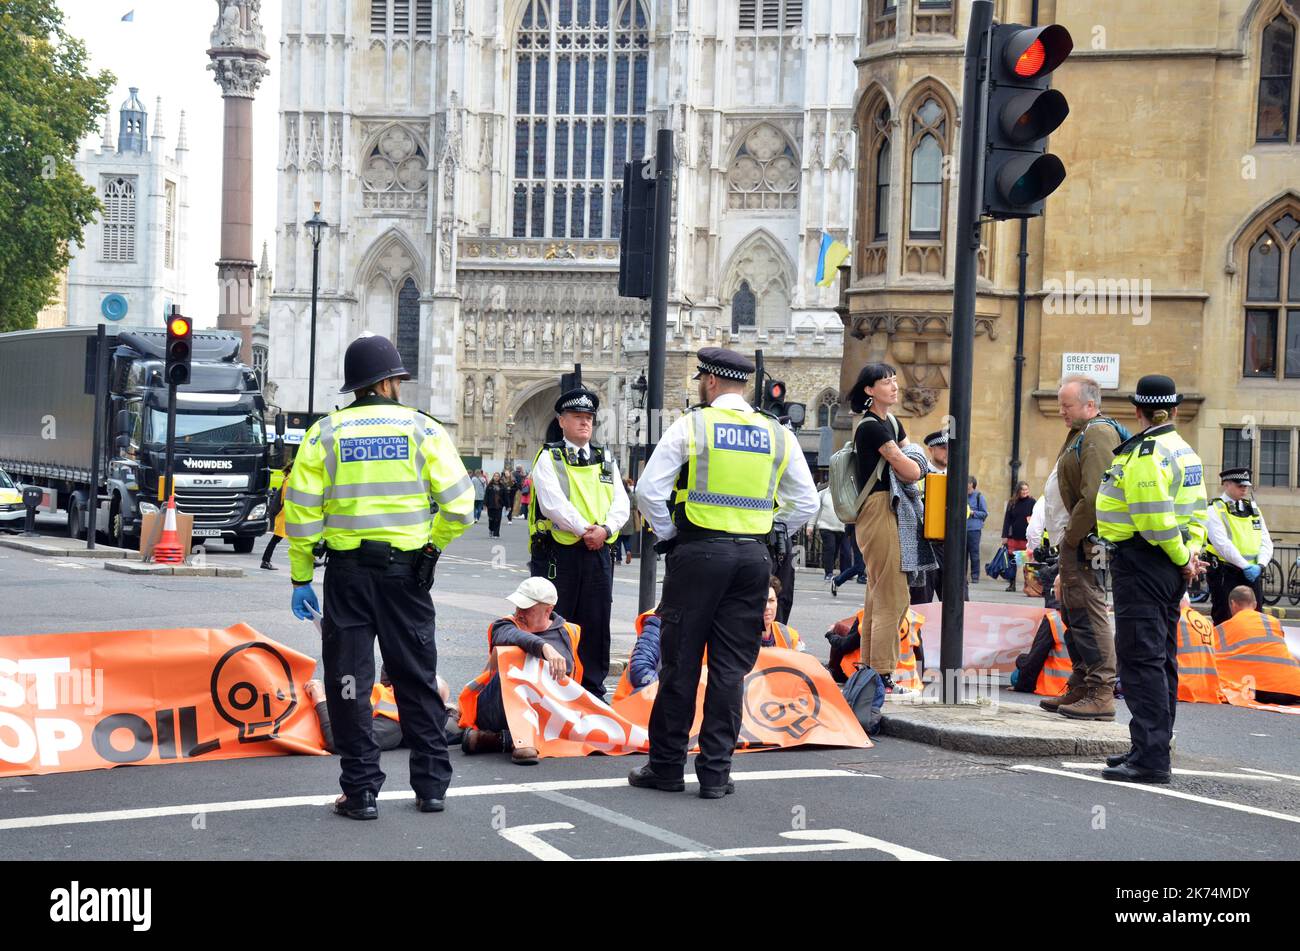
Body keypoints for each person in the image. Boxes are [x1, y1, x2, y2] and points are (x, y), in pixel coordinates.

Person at [284, 333, 474, 820]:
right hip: (405, 575)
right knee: (416, 679)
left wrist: (301, 576)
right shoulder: (424, 430)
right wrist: (431, 547)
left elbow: (301, 513)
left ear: (356, 386)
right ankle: (431, 787)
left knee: (349, 681)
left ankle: (362, 790)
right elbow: (459, 505)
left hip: (347, 576)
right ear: (389, 382)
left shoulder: (324, 433)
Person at [630, 347, 818, 799]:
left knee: (680, 666)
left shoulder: (692, 424)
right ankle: (715, 775)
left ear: (709, 382)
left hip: (698, 554)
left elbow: (649, 492)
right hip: (752, 561)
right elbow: (807, 502)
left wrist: (673, 535)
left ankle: (668, 767)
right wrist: (774, 529)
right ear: (745, 384)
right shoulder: (776, 432)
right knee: (730, 671)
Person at [1095, 374, 1208, 784]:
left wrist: (1180, 557)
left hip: (1145, 561)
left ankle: (1151, 758)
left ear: (1138, 411)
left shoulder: (1147, 453)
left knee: (1141, 660)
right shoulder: (1185, 451)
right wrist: (1190, 557)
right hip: (1168, 564)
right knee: (1160, 657)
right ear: (1175, 410)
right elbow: (1196, 514)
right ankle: (1148, 745)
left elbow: (1153, 519)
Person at [527, 386, 630, 700]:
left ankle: (593, 691)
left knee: (597, 622)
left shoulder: (605, 458)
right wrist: (587, 530)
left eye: (588, 418)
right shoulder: (550, 456)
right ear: (561, 421)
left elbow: (621, 503)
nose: (584, 423)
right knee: (557, 620)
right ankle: (555, 688)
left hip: (598, 551)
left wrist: (606, 529)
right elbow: (552, 504)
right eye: (577, 417)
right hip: (560, 553)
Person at [1049, 374, 1127, 721]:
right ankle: (1083, 683)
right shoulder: (1083, 433)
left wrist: (1071, 538)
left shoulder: (1097, 433)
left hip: (1084, 540)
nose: (1061, 411)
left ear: (1090, 405)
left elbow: (1094, 495)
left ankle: (1100, 691)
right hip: (1077, 539)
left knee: (1088, 612)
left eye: (1067, 405)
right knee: (1074, 612)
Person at [844, 363, 924, 690]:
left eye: (894, 381)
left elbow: (912, 458)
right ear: (869, 390)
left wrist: (915, 460)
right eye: (885, 382)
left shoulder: (890, 422)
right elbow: (912, 469)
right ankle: (880, 674)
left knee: (880, 594)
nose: (893, 387)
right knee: (891, 593)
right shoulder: (871, 427)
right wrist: (917, 461)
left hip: (888, 508)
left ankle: (871, 672)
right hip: (879, 508)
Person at [458, 576, 582, 764]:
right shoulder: (506, 625)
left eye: (526, 608)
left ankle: (501, 740)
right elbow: (510, 636)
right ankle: (520, 739)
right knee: (518, 660)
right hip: (496, 707)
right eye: (518, 606)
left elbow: (569, 680)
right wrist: (544, 648)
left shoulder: (568, 632)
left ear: (548, 610)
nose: (518, 613)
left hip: (546, 712)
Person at [623, 577, 804, 697]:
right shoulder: (659, 619)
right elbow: (640, 669)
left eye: (771, 601)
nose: (767, 607)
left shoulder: (784, 634)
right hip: (652, 696)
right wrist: (668, 692)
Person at [1205, 467, 1273, 626]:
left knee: (1255, 617)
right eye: (1239, 485)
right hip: (1226, 571)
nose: (1244, 489)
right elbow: (1222, 544)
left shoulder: (1253, 509)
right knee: (1225, 617)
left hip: (1252, 571)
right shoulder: (1214, 509)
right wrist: (1244, 565)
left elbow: (1265, 540)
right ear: (1226, 484)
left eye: (1246, 486)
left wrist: (1261, 564)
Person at [1215, 586, 1300, 704]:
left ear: (1233, 604)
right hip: (1293, 689)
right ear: (1255, 604)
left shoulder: (1225, 627)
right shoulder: (1274, 622)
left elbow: (1213, 659)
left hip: (1263, 690)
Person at [1001, 481, 1036, 591]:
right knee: (1012, 562)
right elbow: (1007, 520)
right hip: (1013, 537)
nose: (1025, 492)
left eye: (1027, 489)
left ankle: (1028, 585)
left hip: (1026, 537)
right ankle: (1012, 584)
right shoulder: (1012, 503)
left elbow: (1036, 519)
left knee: (1027, 563)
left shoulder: (1032, 502)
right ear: (1018, 491)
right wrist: (1004, 536)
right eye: (1023, 490)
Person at [260, 459, 293, 570]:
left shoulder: (291, 478)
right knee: (277, 538)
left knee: (300, 539)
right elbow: (286, 498)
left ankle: (265, 561)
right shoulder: (290, 479)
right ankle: (265, 561)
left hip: (287, 513)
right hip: (286, 514)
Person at [811, 483, 846, 582]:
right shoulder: (823, 494)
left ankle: (833, 570)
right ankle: (828, 572)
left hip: (841, 527)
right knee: (830, 549)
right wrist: (810, 526)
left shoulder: (844, 494)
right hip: (826, 527)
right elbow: (815, 511)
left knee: (836, 551)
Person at [967, 477, 988, 584]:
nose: (967, 490)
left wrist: (972, 513)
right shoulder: (962, 495)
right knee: (962, 555)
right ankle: (963, 576)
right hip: (962, 530)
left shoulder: (979, 497)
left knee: (974, 554)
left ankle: (975, 576)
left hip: (974, 530)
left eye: (969, 486)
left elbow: (984, 513)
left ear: (973, 485)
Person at [484, 472, 506, 537]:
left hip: (499, 506)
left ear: (499, 478)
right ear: (493, 477)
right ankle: (491, 529)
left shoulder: (502, 486)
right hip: (491, 505)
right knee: (491, 519)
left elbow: (505, 496)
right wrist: (485, 504)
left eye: (497, 476)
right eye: (495, 476)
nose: (496, 477)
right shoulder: (489, 486)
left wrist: (508, 505)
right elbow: (486, 495)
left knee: (498, 519)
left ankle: (496, 533)